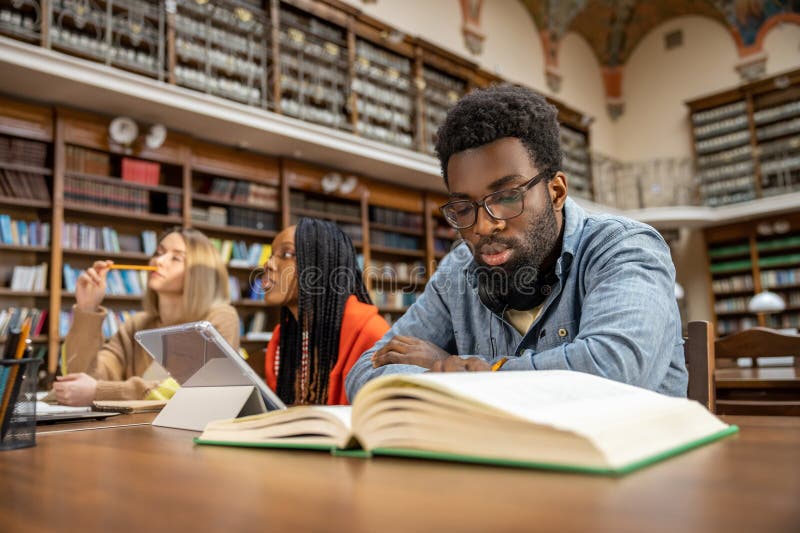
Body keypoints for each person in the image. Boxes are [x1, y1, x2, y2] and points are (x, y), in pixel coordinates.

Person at [346, 84, 688, 401]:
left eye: (508, 198)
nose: (484, 225)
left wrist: (468, 369)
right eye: (465, 207)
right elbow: (366, 370)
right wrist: (452, 374)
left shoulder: (625, 248)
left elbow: (616, 370)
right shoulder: (458, 270)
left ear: (556, 192)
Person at [53, 227, 240, 405]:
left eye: (175, 258)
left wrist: (99, 392)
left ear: (200, 272)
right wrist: (87, 308)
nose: (158, 261)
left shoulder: (220, 318)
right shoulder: (137, 325)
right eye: (158, 253)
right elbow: (79, 378)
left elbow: (189, 387)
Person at [262, 218, 389, 405]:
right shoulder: (281, 338)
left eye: (287, 254)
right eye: (271, 255)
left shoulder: (370, 331)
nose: (268, 264)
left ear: (319, 265)